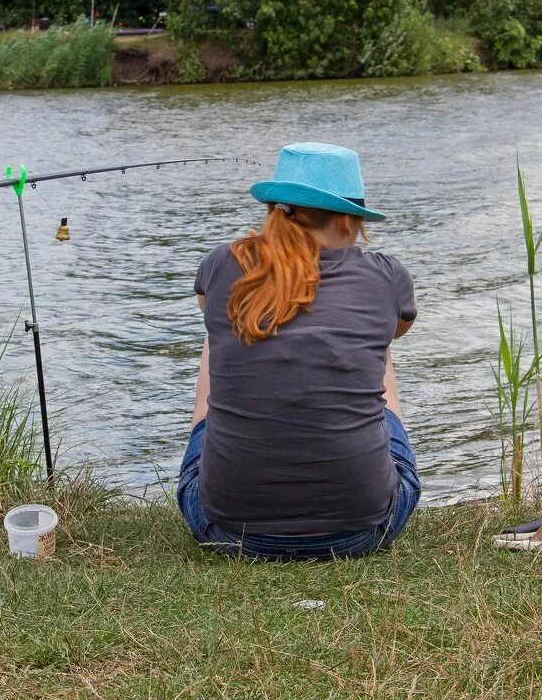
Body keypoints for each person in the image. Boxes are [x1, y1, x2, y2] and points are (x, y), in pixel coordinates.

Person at [178, 142, 421, 560]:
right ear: (348, 220)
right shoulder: (385, 276)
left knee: (225, 326)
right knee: (376, 347)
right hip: (363, 529)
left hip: (226, 529)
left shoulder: (222, 262)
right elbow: (396, 331)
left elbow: (206, 307)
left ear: (274, 209)